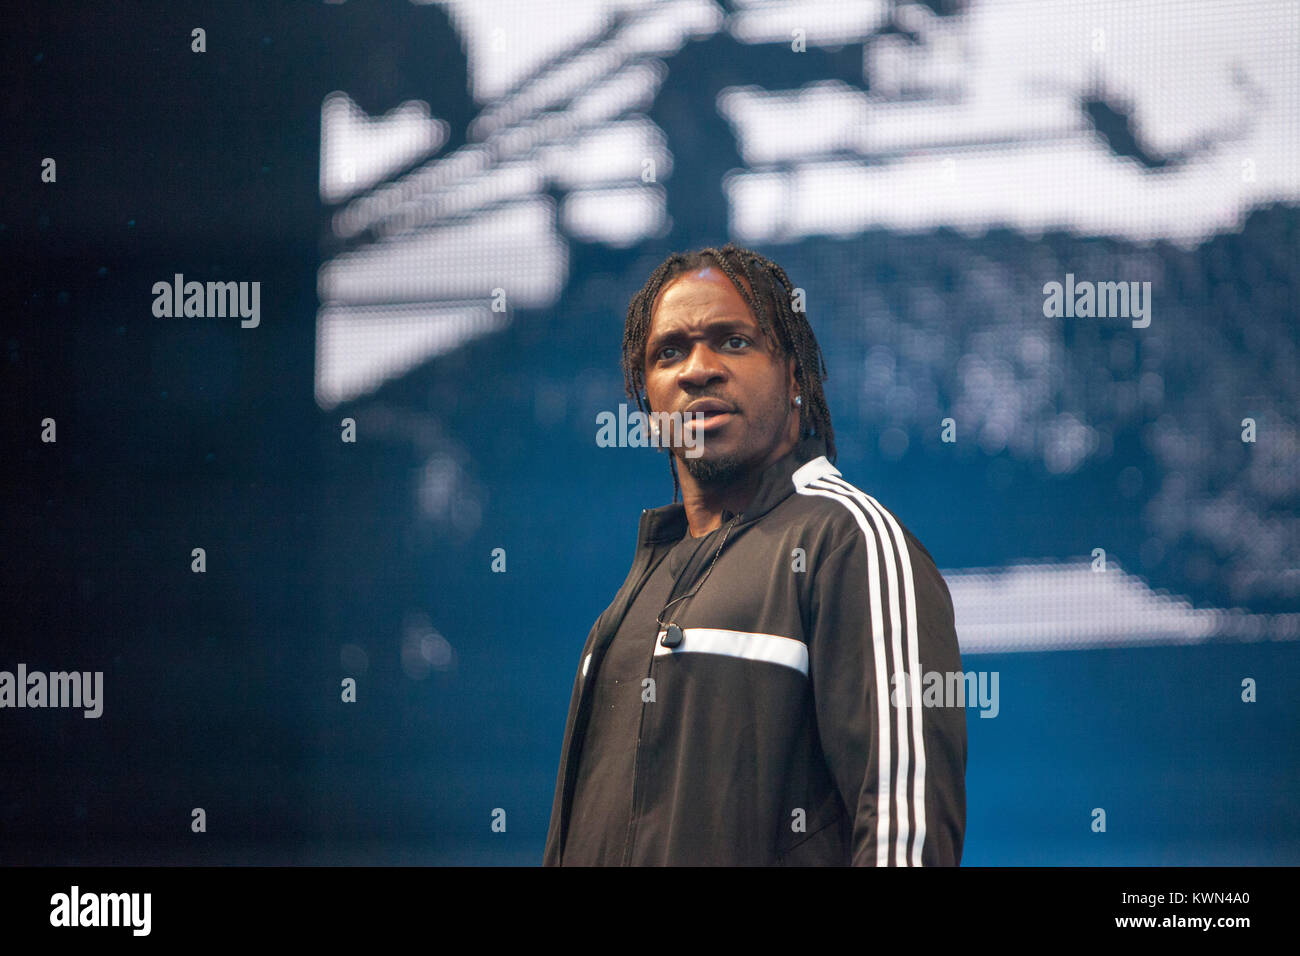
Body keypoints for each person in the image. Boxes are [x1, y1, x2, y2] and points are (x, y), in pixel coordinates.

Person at [543, 243, 967, 865]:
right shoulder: (633, 595)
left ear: (795, 377)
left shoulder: (848, 541)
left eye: (733, 341)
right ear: (646, 397)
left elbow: (907, 834)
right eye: (669, 352)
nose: (698, 369)